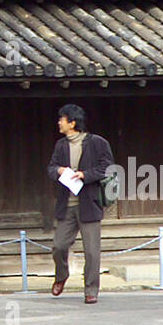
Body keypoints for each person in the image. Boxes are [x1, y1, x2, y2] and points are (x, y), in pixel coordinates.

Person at [47, 104, 113, 302]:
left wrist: (84, 174)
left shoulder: (97, 143)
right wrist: (58, 171)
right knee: (58, 246)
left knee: (92, 252)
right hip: (67, 204)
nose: (59, 123)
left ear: (72, 123)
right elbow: (51, 167)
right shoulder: (60, 145)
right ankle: (61, 276)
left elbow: (108, 168)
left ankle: (91, 290)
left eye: (62, 119)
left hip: (89, 203)